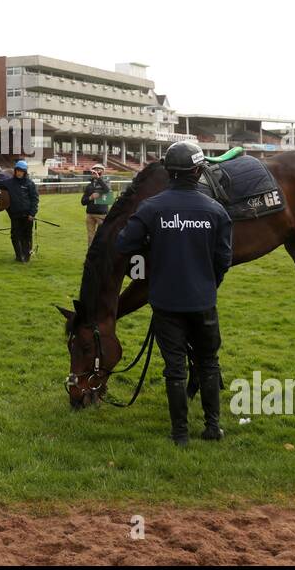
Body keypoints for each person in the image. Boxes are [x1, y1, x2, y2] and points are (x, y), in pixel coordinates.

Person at [115, 141, 233, 445]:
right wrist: (208, 283)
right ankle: (212, 427)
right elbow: (223, 260)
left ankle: (180, 434)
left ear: (169, 171)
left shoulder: (151, 207)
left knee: (175, 369)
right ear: (198, 171)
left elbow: (124, 243)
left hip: (166, 302)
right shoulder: (216, 210)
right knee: (208, 363)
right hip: (203, 301)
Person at [0, 159, 40, 262]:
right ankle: (19, 256)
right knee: (15, 236)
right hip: (15, 215)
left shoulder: (30, 184)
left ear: (25, 172)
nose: (19, 173)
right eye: (18, 170)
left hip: (28, 216)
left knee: (27, 236)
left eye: (22, 171)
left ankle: (26, 256)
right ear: (15, 171)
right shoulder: (10, 183)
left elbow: (35, 199)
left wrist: (32, 213)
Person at [80, 164, 113, 244]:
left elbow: (107, 190)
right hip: (90, 214)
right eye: (95, 170)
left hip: (102, 215)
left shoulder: (106, 182)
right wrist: (90, 198)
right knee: (90, 236)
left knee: (102, 235)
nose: (96, 171)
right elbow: (83, 202)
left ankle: (102, 253)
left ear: (103, 172)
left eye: (99, 169)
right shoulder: (89, 186)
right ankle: (91, 254)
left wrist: (98, 178)